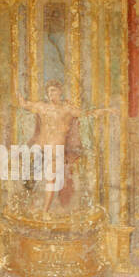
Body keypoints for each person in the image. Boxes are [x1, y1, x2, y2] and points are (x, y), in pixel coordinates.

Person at [16, 80, 113, 214]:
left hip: (56, 149)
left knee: (51, 179)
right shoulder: (42, 107)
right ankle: (30, 206)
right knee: (32, 177)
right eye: (49, 91)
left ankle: (45, 211)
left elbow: (86, 113)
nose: (51, 94)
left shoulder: (67, 109)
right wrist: (17, 92)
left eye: (54, 91)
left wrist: (106, 110)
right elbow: (24, 104)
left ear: (60, 92)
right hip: (40, 147)